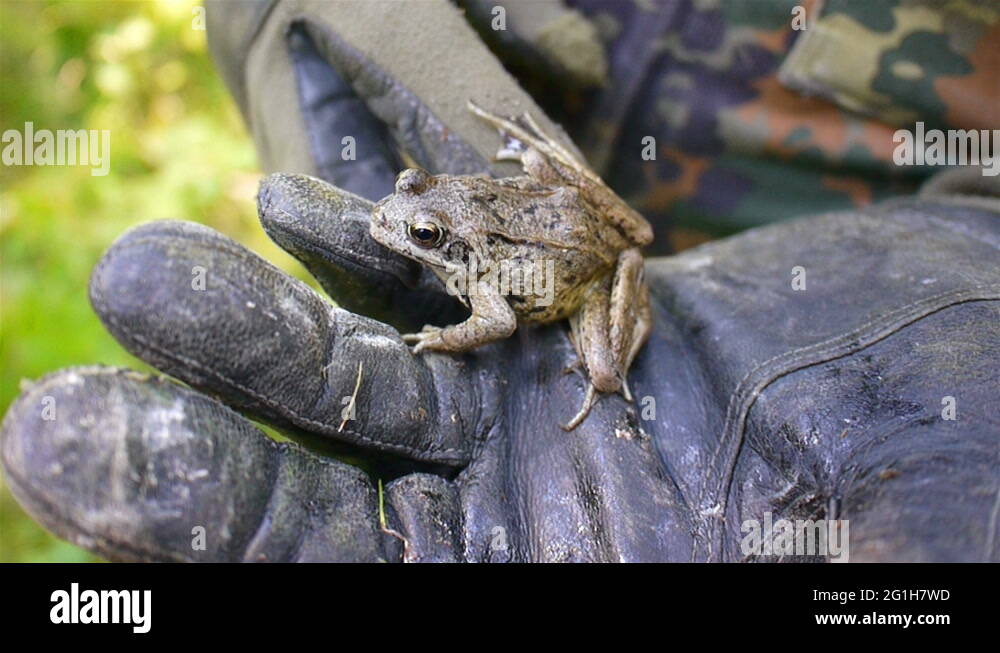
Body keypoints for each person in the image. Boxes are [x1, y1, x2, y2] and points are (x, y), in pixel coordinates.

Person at [2, 0, 997, 562]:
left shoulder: (480, 284)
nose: (404, 232)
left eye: (421, 233)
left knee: (600, 369)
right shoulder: (439, 212)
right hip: (581, 186)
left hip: (646, 252)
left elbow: (491, 318)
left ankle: (610, 374)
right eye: (412, 209)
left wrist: (435, 338)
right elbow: (445, 202)